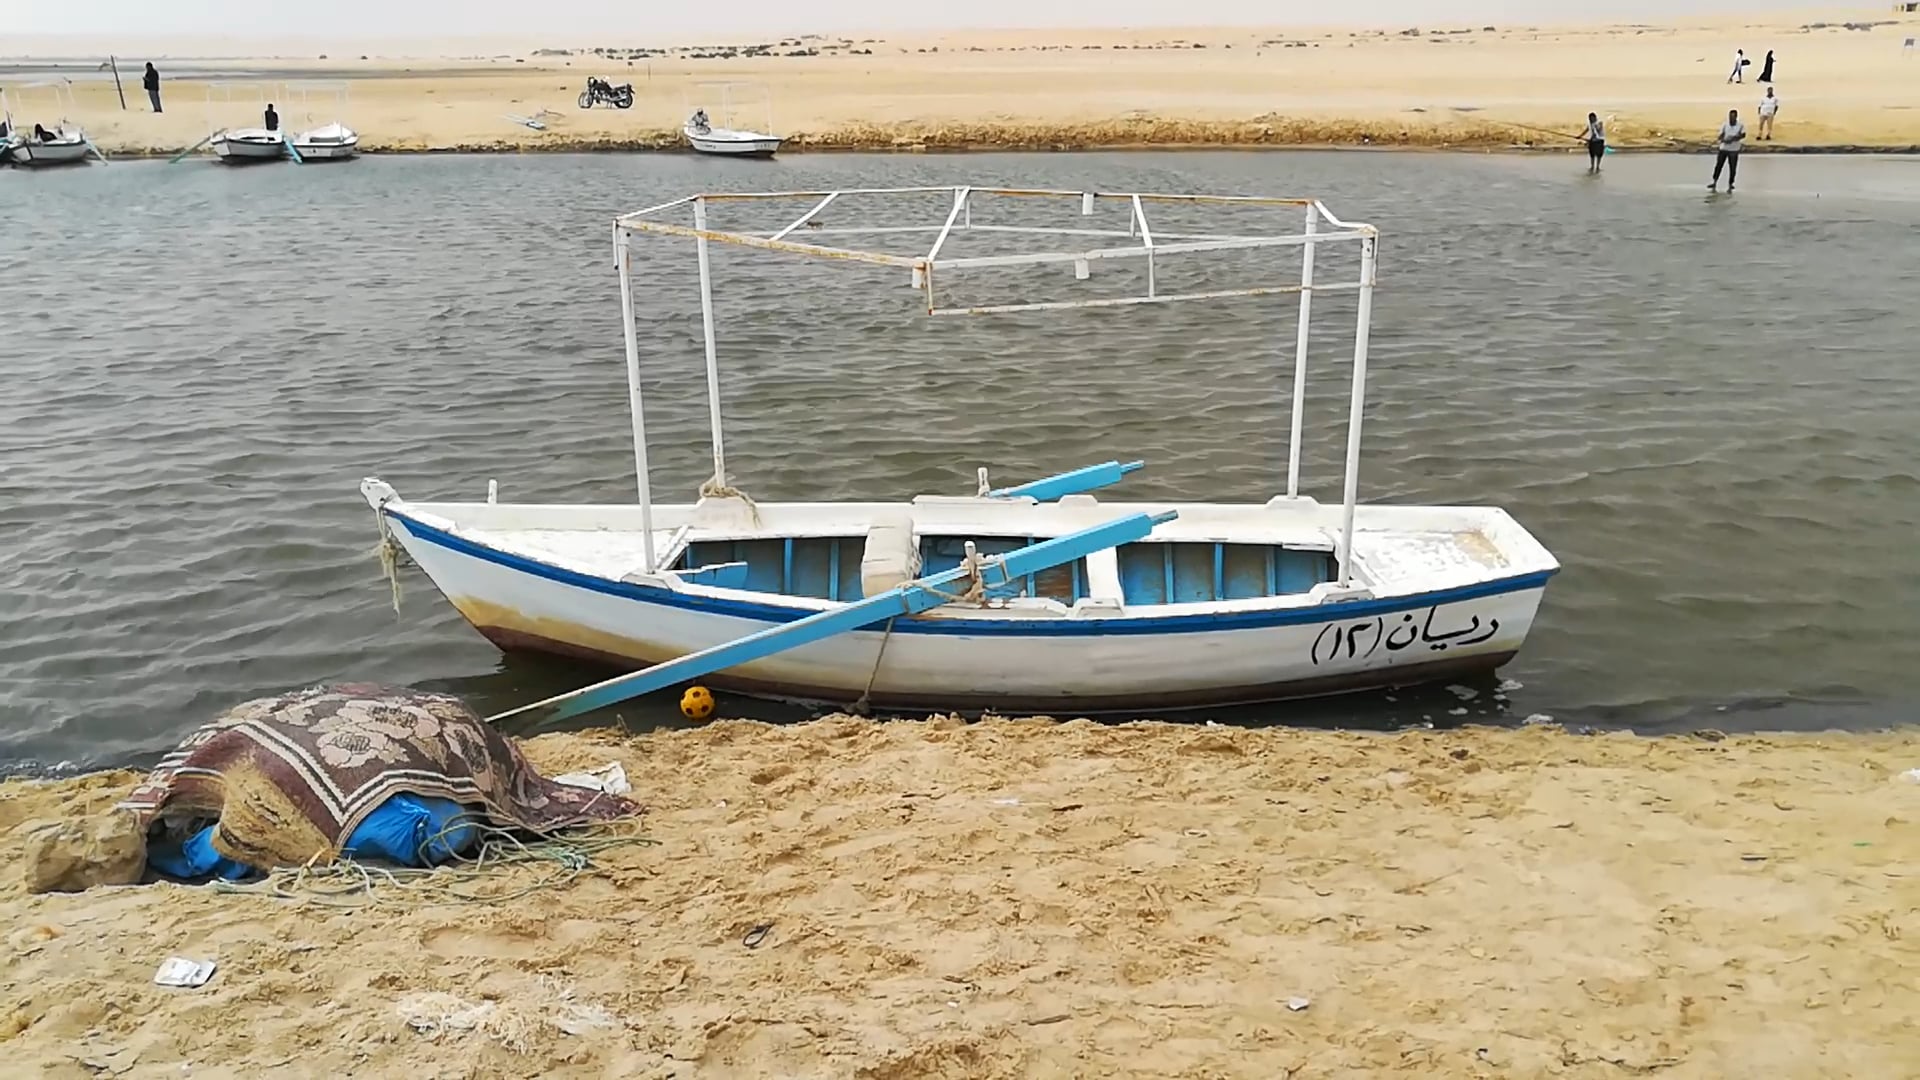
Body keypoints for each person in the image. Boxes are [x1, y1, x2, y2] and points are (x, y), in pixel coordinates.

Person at [1708, 109, 1746, 192]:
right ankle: (1714, 182)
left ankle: (1731, 184)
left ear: (1736, 117)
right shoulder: (1725, 124)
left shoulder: (1740, 125)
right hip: (1723, 148)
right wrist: (1723, 139)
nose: (1731, 118)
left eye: (1733, 117)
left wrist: (1732, 139)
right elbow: (1721, 135)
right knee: (1718, 166)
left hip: (1734, 150)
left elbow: (1743, 135)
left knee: (1732, 168)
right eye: (1730, 116)